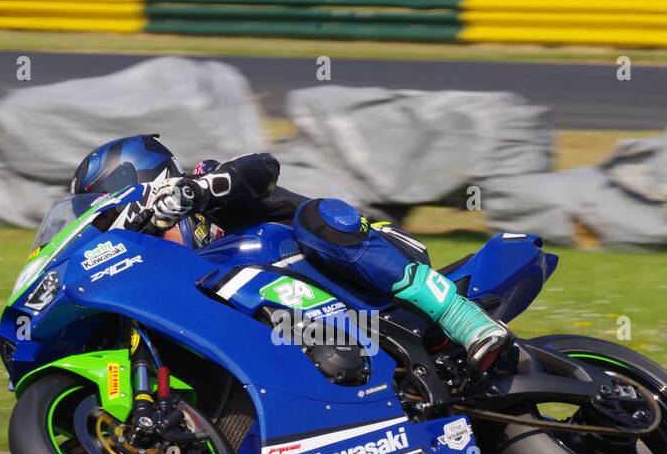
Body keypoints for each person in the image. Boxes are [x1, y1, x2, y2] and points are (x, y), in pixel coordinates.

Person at [70, 134, 511, 373]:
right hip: (304, 329)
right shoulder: (158, 268)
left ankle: (461, 316)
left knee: (318, 218)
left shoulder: (203, 186)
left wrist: (196, 189)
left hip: (359, 262)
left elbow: (262, 167)